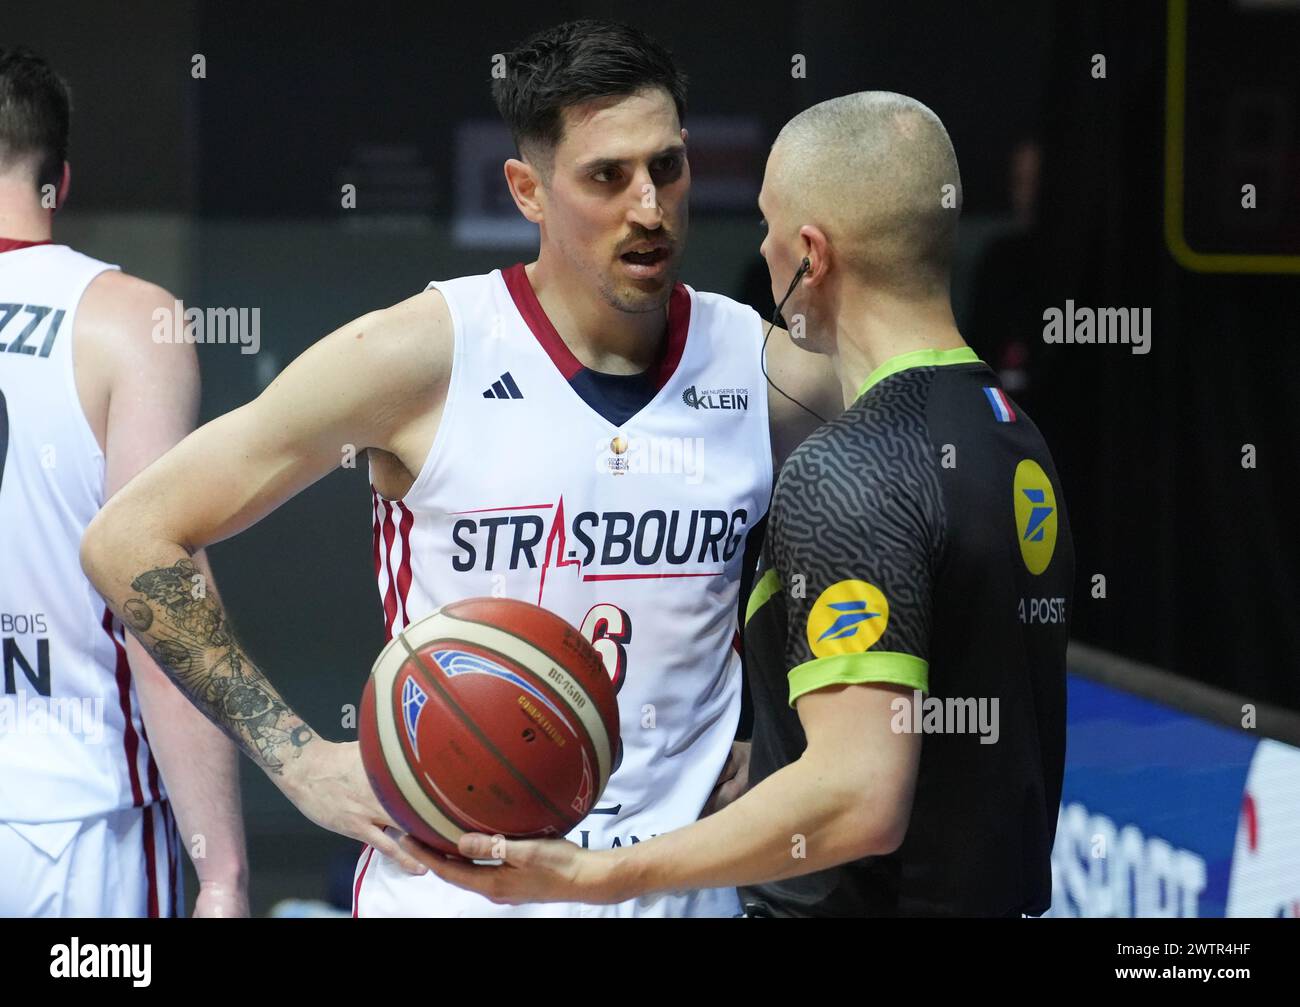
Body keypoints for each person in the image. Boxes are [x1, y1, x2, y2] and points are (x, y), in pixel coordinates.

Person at [79, 20, 838, 917]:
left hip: (678, 895)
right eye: (607, 176)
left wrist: (781, 741)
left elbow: (880, 532)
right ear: (528, 189)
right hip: (452, 896)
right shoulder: (420, 355)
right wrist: (295, 757)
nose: (649, 206)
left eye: (667, 167)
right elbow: (129, 537)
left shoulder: (761, 368)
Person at [411, 92, 1075, 918]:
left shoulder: (851, 470)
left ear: (811, 254)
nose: (759, 249)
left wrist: (593, 873)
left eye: (767, 226)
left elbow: (859, 799)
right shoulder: (1011, 436)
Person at [0, 46, 247, 917]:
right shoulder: (125, 319)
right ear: (56, 181)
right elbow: (158, 594)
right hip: (73, 826)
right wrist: (220, 873)